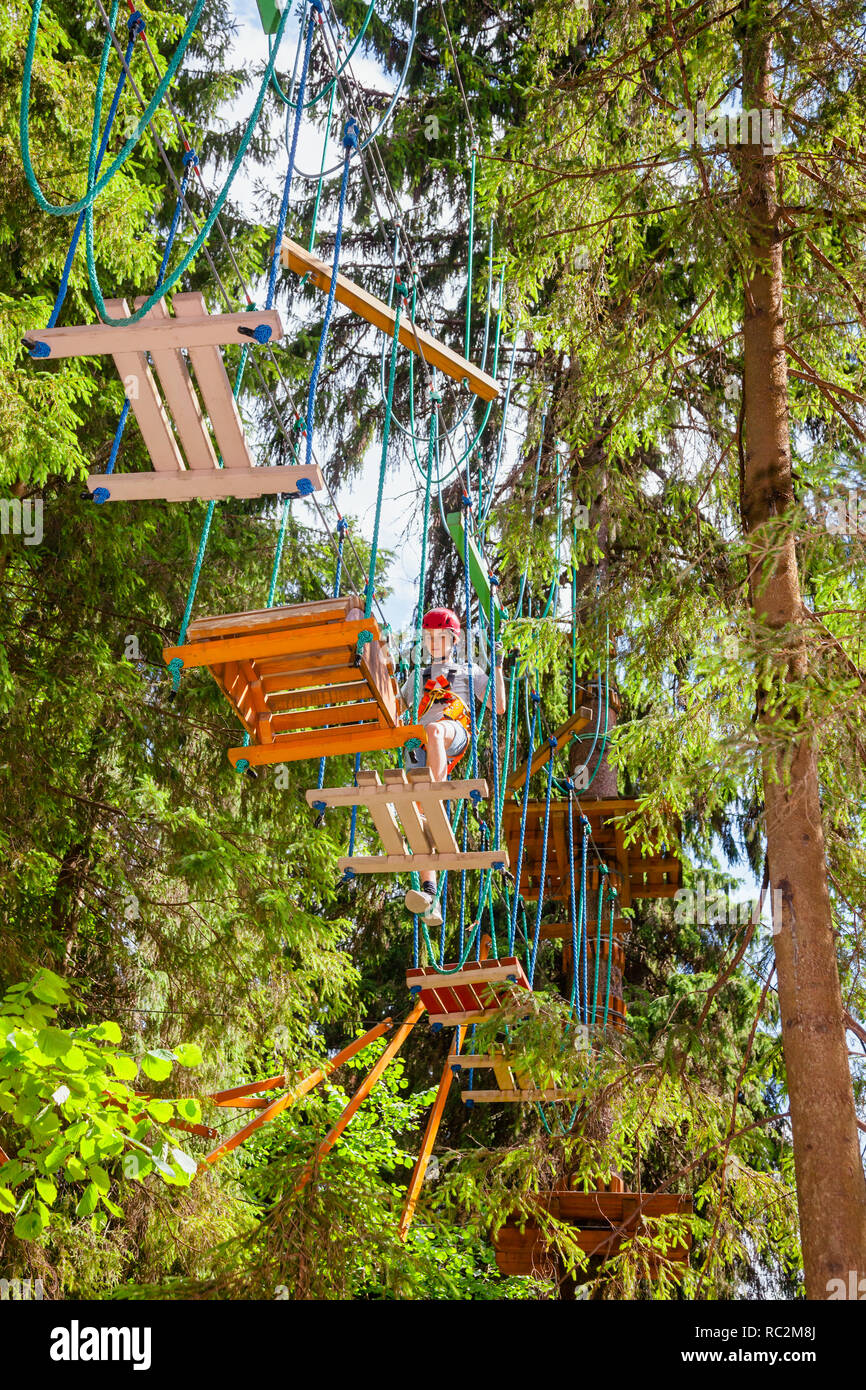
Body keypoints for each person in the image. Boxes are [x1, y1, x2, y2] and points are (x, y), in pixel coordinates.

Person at [401, 607, 506, 926]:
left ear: (453, 640)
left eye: (441, 637)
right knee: (415, 815)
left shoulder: (467, 670)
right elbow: (395, 706)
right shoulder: (417, 677)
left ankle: (436, 790)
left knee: (435, 730)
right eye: (429, 637)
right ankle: (430, 895)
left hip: (454, 731)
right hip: (422, 744)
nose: (435, 642)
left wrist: (499, 667)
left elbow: (498, 706)